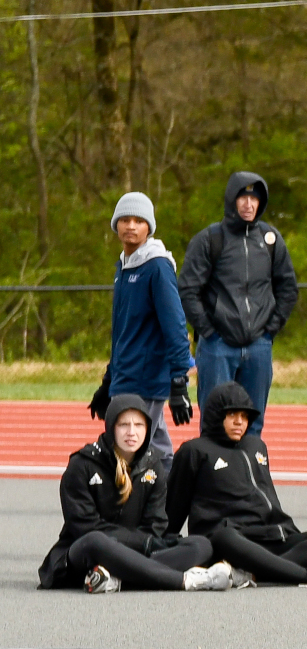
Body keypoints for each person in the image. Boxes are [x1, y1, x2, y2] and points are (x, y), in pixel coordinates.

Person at [168, 381, 307, 586]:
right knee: (223, 537)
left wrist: (284, 528)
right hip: (235, 540)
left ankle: (256, 574)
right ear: (216, 415)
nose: (239, 422)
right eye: (232, 415)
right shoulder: (194, 451)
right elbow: (174, 507)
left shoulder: (257, 445)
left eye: (245, 416)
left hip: (275, 535)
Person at [39, 394, 231, 593]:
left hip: (139, 549)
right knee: (96, 540)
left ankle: (115, 579)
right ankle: (186, 581)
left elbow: (155, 524)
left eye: (139, 425)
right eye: (124, 425)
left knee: (200, 545)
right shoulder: (82, 465)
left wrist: (144, 544)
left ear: (147, 429)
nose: (132, 432)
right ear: (111, 426)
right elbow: (84, 527)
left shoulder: (153, 464)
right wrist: (144, 544)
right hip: (87, 553)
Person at [179, 171, 299, 436]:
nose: (249, 204)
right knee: (215, 422)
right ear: (232, 200)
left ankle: (250, 475)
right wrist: (208, 331)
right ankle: (212, 476)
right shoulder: (209, 239)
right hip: (217, 348)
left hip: (258, 346)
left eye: (255, 198)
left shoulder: (270, 240)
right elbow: (188, 289)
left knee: (253, 424)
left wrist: (270, 330)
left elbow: (288, 287)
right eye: (243, 197)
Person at [88, 192, 194, 471]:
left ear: (149, 227)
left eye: (138, 220)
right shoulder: (123, 268)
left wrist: (179, 378)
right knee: (154, 446)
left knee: (132, 446)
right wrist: (108, 380)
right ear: (116, 225)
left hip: (146, 378)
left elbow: (174, 324)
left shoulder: (157, 266)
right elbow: (123, 333)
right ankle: (171, 503)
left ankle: (151, 507)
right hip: (126, 375)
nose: (131, 226)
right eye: (125, 219)